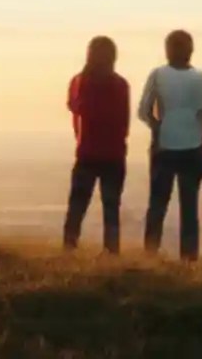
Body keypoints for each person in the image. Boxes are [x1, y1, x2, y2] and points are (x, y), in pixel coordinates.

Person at [139, 30, 202, 261]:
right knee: (190, 206)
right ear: (190, 51)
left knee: (158, 203)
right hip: (193, 148)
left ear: (167, 50)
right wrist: (194, 129)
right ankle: (189, 257)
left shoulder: (158, 75)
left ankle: (150, 253)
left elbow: (144, 110)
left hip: (164, 146)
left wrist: (158, 127)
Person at [63, 36, 131, 254]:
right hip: (114, 154)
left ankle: (69, 248)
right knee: (111, 209)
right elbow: (124, 119)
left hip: (87, 152)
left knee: (77, 207)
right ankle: (111, 252)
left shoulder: (80, 82)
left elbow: (74, 106)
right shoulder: (120, 84)